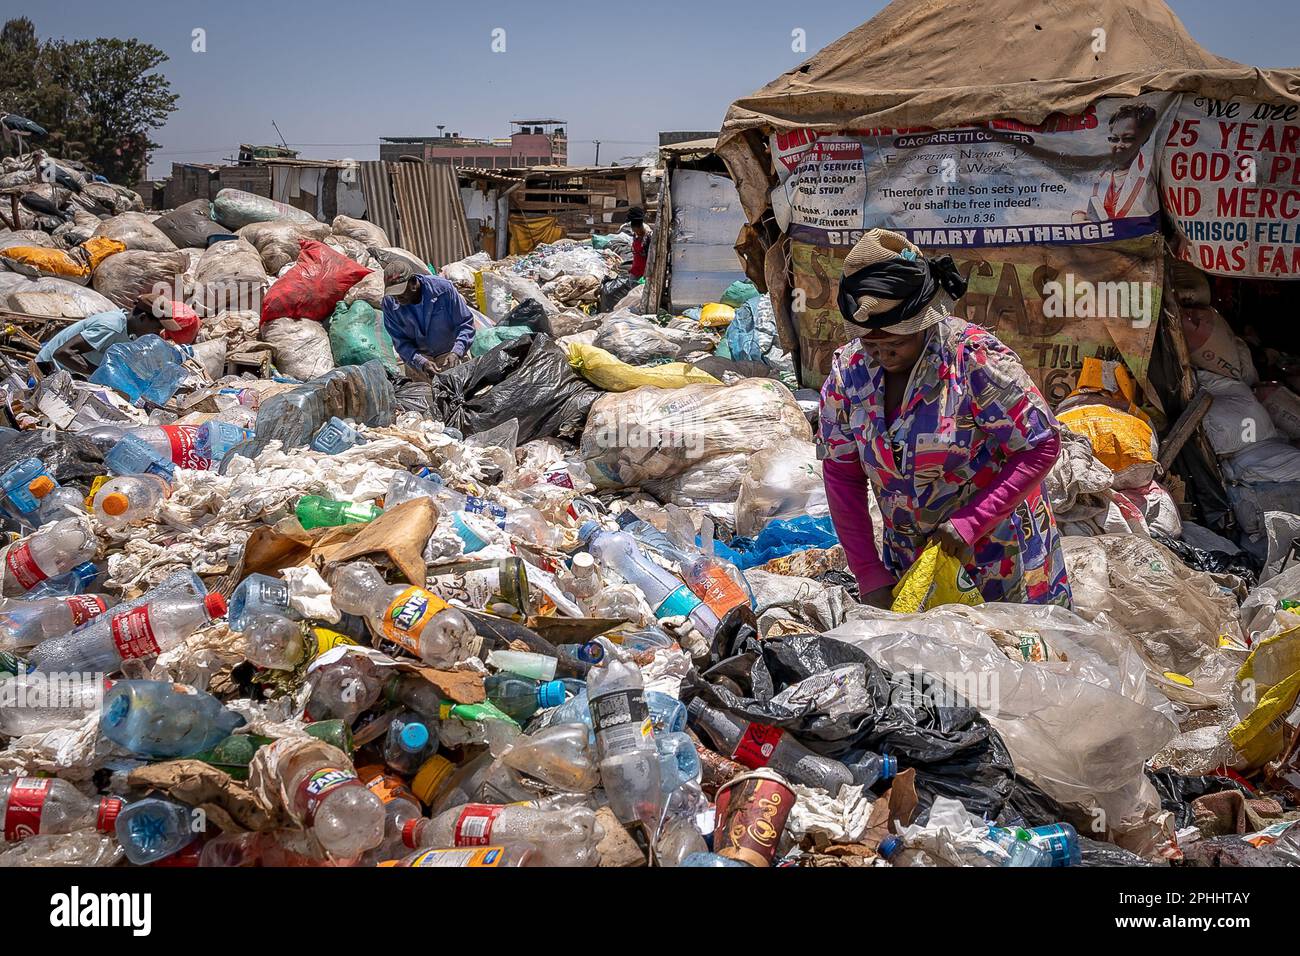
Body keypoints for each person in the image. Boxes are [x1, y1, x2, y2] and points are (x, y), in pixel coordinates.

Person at [819, 228, 1071, 608]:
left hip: (1000, 562)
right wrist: (868, 572)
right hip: (913, 564)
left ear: (923, 323)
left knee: (1013, 659)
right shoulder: (848, 375)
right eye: (872, 345)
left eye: (896, 343)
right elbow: (842, 474)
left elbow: (1041, 444)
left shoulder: (974, 361)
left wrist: (971, 522)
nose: (882, 355)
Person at [35, 293, 185, 376]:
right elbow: (62, 353)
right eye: (157, 328)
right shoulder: (112, 326)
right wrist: (104, 375)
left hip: (68, 373)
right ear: (142, 318)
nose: (158, 333)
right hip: (46, 371)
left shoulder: (130, 332)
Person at [381, 273, 477, 381]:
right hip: (418, 362)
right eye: (393, 294)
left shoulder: (443, 288)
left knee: (461, 393)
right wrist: (421, 362)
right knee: (424, 397)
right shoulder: (389, 303)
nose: (397, 298)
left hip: (450, 357)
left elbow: (465, 324)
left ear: (413, 283)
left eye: (400, 292)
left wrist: (457, 352)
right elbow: (401, 343)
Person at [1074, 103, 1159, 223]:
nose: (1119, 145)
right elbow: (1079, 208)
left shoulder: (1150, 173)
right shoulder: (1098, 175)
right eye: (1114, 139)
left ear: (1143, 139)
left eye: (1128, 139)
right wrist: (1078, 218)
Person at [623, 206, 652, 280]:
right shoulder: (635, 234)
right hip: (635, 269)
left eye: (637, 231)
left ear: (640, 227)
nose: (636, 233)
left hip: (645, 272)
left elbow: (650, 257)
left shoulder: (648, 236)